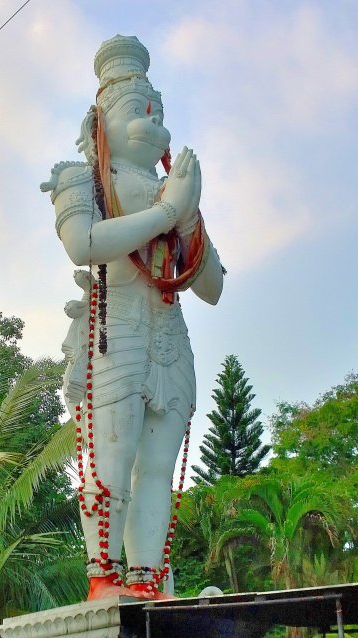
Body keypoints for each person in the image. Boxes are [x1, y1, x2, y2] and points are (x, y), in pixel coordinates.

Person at [41, 35, 224, 601]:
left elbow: (212, 287)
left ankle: (147, 579)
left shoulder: (176, 191)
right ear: (101, 122)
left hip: (169, 340)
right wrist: (168, 211)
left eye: (157, 111)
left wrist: (188, 217)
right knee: (111, 462)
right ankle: (104, 577)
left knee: (159, 472)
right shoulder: (85, 179)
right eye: (135, 109)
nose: (150, 118)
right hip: (114, 333)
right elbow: (84, 243)